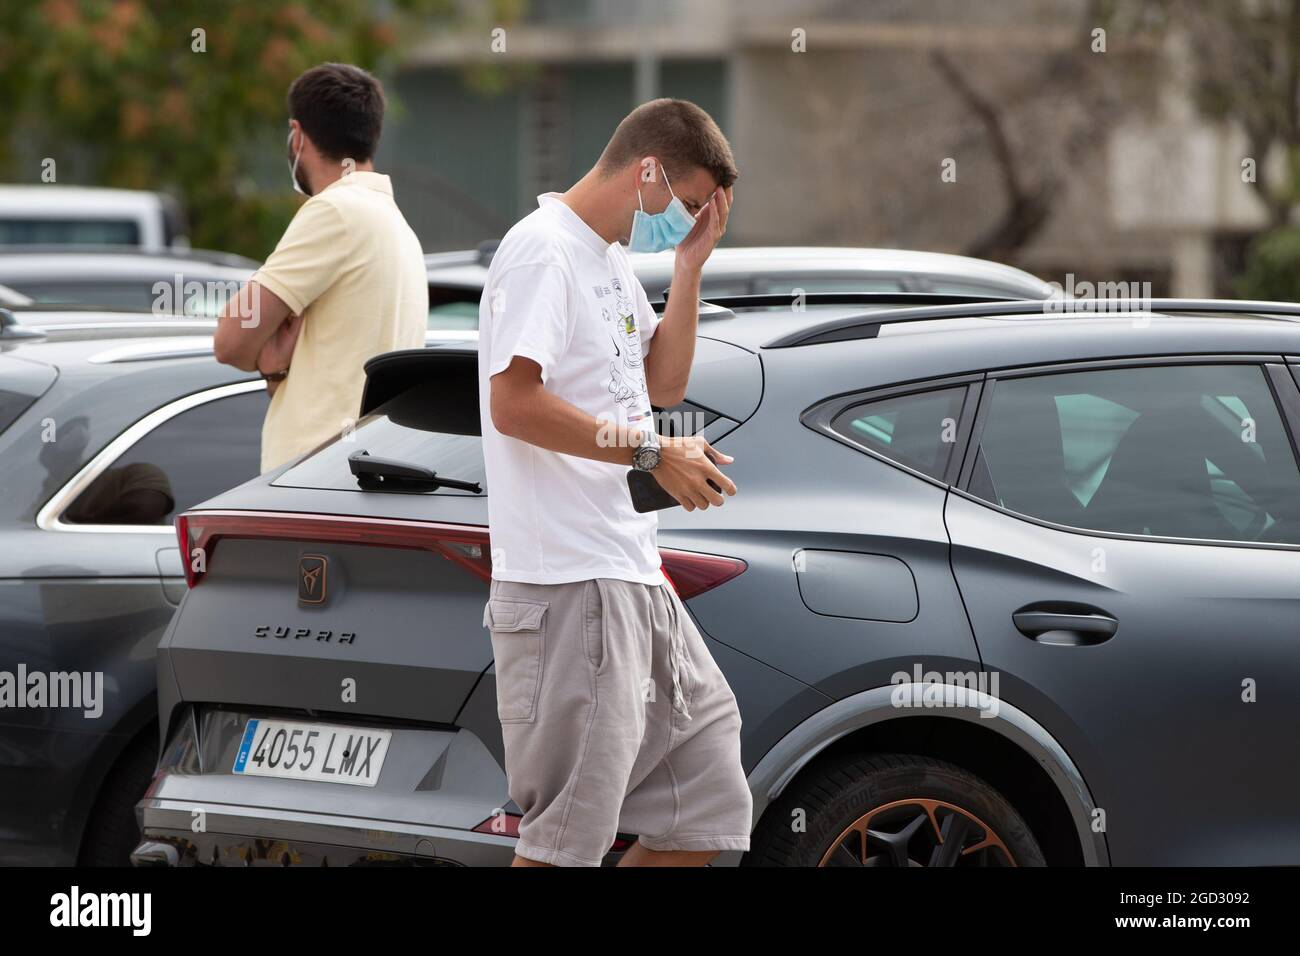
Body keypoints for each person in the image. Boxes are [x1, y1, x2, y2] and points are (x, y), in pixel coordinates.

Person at [479, 97, 751, 867]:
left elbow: (662, 386)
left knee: (705, 802)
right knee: (567, 837)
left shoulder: (607, 259)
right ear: (648, 171)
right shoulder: (542, 251)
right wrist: (649, 455)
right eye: (687, 203)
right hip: (570, 583)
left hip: (631, 573)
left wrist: (689, 267)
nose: (685, 215)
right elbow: (513, 404)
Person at [214, 62, 427, 473]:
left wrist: (268, 359)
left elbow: (229, 340)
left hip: (313, 479)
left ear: (297, 135)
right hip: (363, 471)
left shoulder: (334, 210)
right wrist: (276, 371)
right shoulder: (395, 223)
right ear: (371, 135)